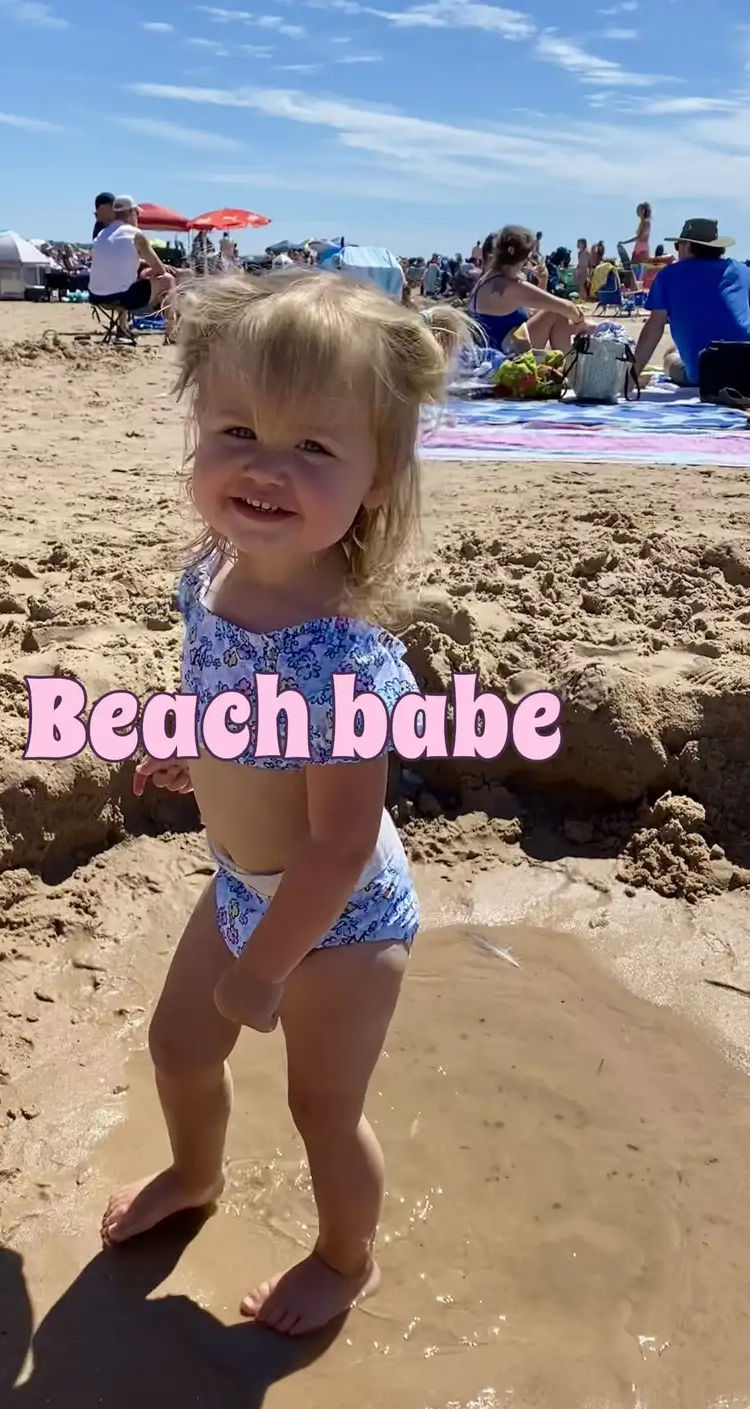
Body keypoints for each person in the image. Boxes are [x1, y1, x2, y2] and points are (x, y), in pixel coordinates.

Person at [99, 268, 472, 1336]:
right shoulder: (211, 574)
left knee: (322, 1108)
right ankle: (192, 1172)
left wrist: (265, 964)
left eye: (313, 448)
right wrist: (197, 748)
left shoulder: (346, 659)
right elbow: (225, 701)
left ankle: (345, 1259)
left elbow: (344, 842)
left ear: (379, 478)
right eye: (235, 429)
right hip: (240, 880)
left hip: (338, 918)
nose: (264, 467)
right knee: (180, 1047)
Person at [633, 217, 750, 388]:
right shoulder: (736, 269)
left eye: (677, 245)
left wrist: (632, 375)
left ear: (687, 246)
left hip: (703, 376)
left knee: (670, 357)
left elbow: (654, 327)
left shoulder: (668, 275)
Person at [467, 224, 593, 355]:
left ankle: (568, 364)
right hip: (504, 360)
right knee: (557, 312)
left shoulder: (486, 280)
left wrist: (542, 281)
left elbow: (532, 314)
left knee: (556, 313)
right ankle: (570, 366)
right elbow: (566, 307)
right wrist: (580, 322)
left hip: (492, 353)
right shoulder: (510, 286)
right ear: (522, 257)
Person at [89, 195, 175, 324]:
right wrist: (149, 272)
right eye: (137, 213)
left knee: (122, 283)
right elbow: (160, 270)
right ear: (131, 212)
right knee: (168, 279)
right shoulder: (136, 234)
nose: (138, 217)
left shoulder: (101, 235)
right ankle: (171, 329)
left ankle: (122, 328)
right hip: (123, 298)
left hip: (96, 297)